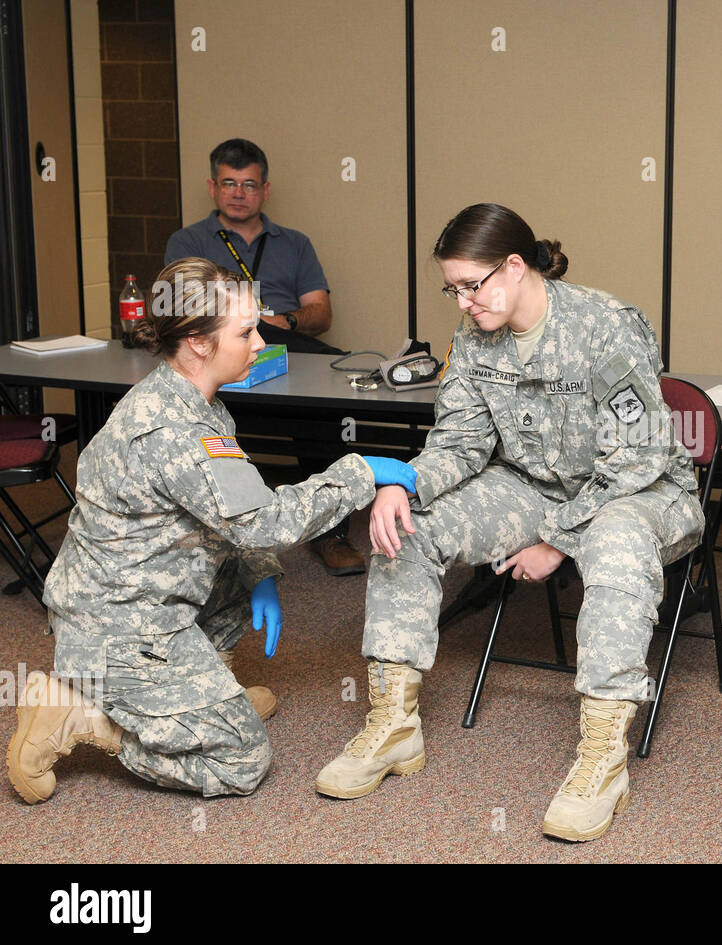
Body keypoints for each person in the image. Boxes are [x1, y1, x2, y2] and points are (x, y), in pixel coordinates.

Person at [314, 203, 704, 842]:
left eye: (474, 285)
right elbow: (461, 442)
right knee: (415, 522)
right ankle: (392, 723)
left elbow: (636, 460)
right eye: (453, 289)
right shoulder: (473, 340)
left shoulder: (605, 326)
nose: (463, 302)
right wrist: (404, 482)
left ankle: (603, 757)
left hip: (640, 491)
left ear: (516, 267)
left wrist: (556, 537)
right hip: (535, 485)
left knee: (615, 539)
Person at [6, 258, 417, 803]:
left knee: (242, 580)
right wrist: (360, 471)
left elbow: (230, 514)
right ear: (199, 342)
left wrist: (260, 573)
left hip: (135, 596)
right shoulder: (174, 432)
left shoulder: (191, 399)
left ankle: (199, 696)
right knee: (242, 760)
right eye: (246, 332)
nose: (259, 341)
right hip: (118, 633)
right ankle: (85, 717)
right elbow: (267, 520)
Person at [164, 138, 365, 576]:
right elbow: (178, 315)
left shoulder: (294, 243)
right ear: (212, 187)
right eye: (229, 183)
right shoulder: (188, 241)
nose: (239, 193)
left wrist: (282, 324)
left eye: (249, 184)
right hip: (216, 352)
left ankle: (329, 533)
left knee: (325, 410)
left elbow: (321, 313)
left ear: (266, 190)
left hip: (282, 344)